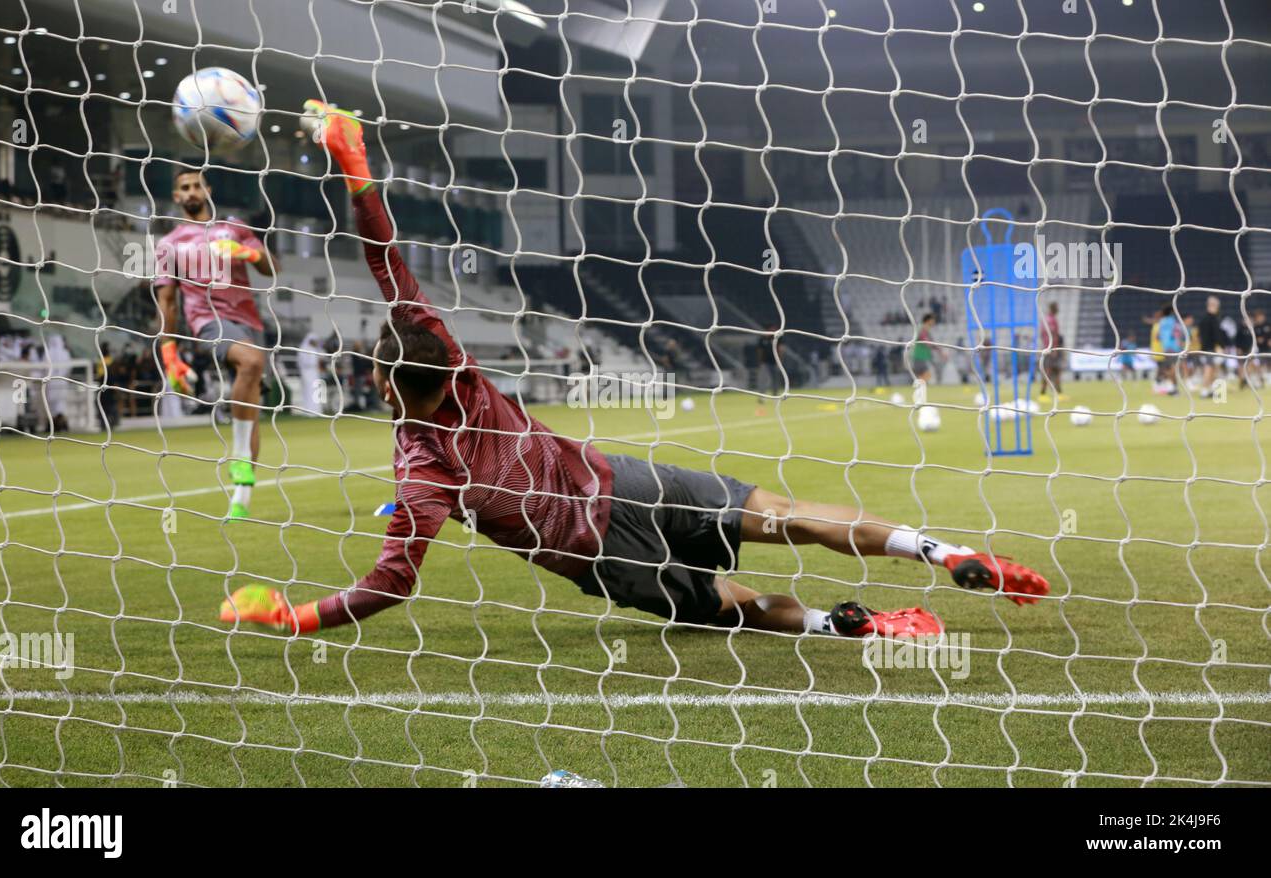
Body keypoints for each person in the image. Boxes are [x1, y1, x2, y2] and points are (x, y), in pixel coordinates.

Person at [219, 101, 1048, 640]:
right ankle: (941, 551)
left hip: (599, 553)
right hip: (621, 477)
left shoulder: (422, 470)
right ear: (444, 359)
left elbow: (389, 585)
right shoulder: (458, 361)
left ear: (384, 386)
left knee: (730, 607)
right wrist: (353, 160)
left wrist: (298, 616)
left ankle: (856, 627)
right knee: (788, 515)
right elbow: (386, 257)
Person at [153, 168, 278, 519]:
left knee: (251, 405)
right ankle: (238, 459)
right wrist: (169, 354)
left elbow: (272, 268)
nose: (191, 191)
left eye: (196, 185)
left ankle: (241, 500)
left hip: (249, 322)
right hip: (207, 321)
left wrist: (247, 253)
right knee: (251, 363)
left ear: (208, 189)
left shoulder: (234, 228)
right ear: (177, 197)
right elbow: (167, 303)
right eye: (184, 188)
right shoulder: (169, 244)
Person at [1195, 295, 1224, 398]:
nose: (1218, 307)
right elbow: (1216, 335)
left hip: (1205, 348)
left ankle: (1211, 390)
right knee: (1208, 369)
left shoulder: (1203, 319)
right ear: (1212, 305)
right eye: (1216, 305)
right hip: (1210, 348)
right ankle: (1204, 390)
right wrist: (1219, 346)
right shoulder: (1212, 319)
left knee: (1211, 369)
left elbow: (1198, 336)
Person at [1037, 302, 1065, 402]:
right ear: (1054, 308)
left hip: (1050, 348)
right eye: (1057, 307)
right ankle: (1043, 394)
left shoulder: (1048, 319)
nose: (1058, 309)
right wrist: (1052, 348)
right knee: (1049, 371)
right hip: (1051, 349)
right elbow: (1051, 335)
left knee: (1055, 371)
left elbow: (1043, 334)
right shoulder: (1050, 320)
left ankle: (1059, 393)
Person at [297, 328, 325, 415]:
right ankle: (309, 411)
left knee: (317, 390)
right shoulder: (303, 349)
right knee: (309, 390)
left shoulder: (314, 349)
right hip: (307, 372)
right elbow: (303, 362)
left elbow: (322, 356)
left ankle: (317, 410)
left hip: (314, 372)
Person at [909, 312, 936, 383]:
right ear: (928, 320)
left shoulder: (926, 330)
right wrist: (928, 343)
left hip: (922, 356)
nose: (934, 322)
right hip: (919, 356)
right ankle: (918, 386)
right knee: (926, 375)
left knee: (924, 375)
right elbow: (923, 337)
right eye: (933, 320)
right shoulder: (922, 329)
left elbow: (930, 343)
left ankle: (918, 386)